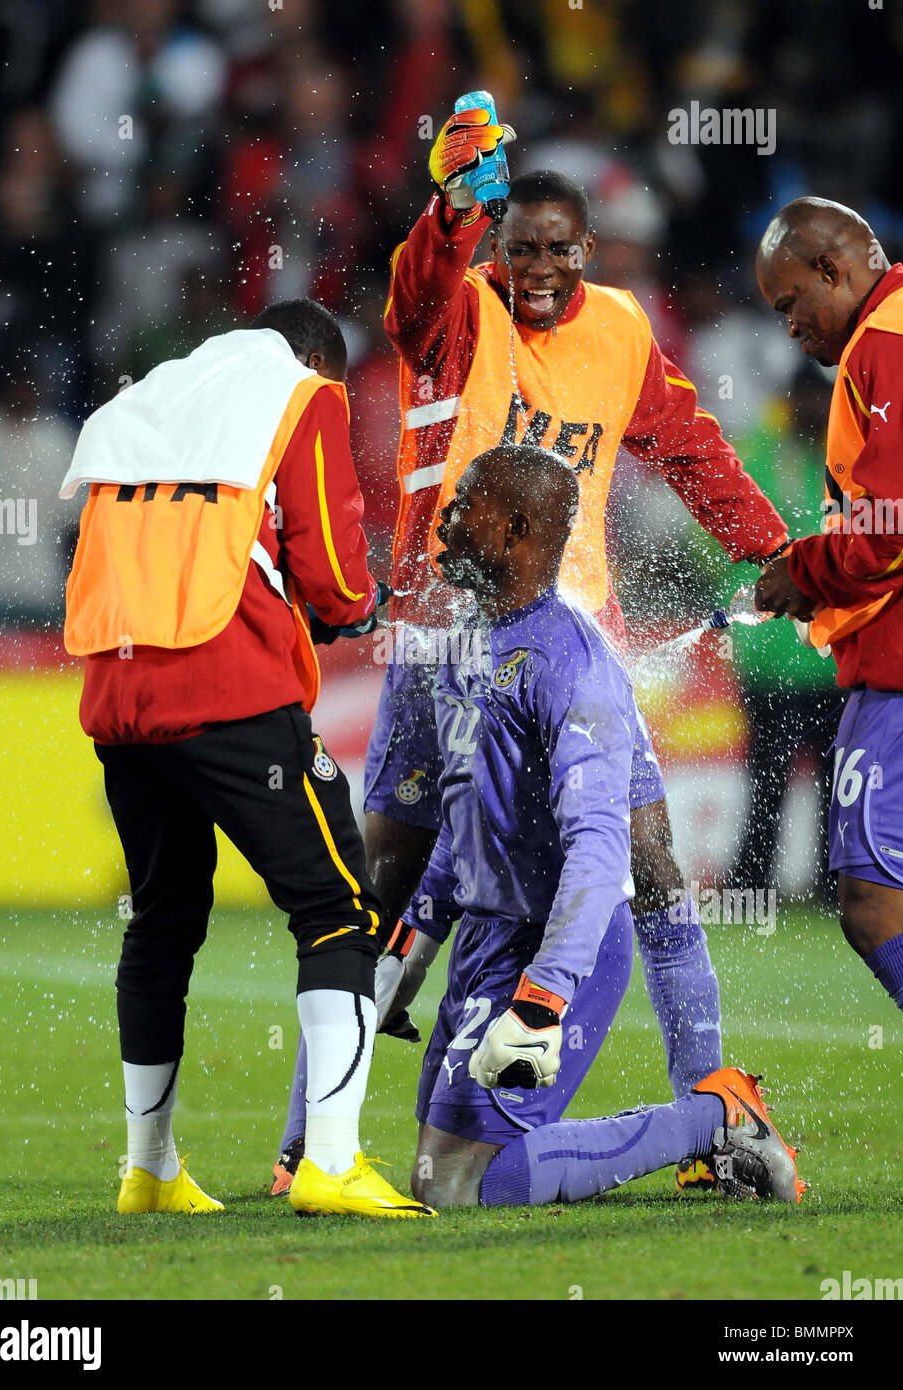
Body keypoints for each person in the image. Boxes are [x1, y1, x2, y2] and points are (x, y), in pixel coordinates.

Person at [272, 106, 791, 1191]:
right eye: (523, 249)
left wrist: (771, 551)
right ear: (498, 249)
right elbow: (413, 293)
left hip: (570, 644)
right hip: (440, 645)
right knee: (384, 881)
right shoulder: (459, 311)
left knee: (649, 873)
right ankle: (302, 1146)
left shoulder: (618, 331)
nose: (541, 270)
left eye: (560, 250)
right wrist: (452, 206)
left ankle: (708, 1103)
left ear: (587, 251)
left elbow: (689, 449)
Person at [60, 297, 434, 1220]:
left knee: (162, 921)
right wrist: (357, 604)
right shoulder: (302, 395)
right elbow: (333, 571)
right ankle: (333, 1163)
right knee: (339, 910)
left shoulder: (147, 395)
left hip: (116, 693)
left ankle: (148, 1168)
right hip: (225, 688)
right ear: (318, 362)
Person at [384, 443, 804, 1208]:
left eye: (465, 503)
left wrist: (544, 994)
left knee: (456, 1186)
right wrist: (412, 943)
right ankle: (706, 1117)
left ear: (513, 530)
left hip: (553, 944)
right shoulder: (462, 647)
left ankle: (714, 1114)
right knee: (430, 1176)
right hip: (484, 936)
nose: (445, 517)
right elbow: (462, 819)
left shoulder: (570, 661)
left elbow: (598, 847)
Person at [754, 197, 903, 1028]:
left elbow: (887, 523)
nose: (787, 328)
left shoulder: (886, 342)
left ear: (831, 271)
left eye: (789, 304)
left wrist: (804, 571)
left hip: (899, 671)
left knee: (872, 904)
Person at [727, 365, 845, 900]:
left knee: (834, 786)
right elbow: (718, 544)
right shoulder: (753, 455)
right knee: (769, 779)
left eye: (818, 401)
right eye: (802, 399)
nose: (810, 409)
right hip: (774, 659)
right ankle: (755, 885)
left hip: (830, 657)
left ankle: (830, 884)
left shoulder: (844, 460)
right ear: (788, 402)